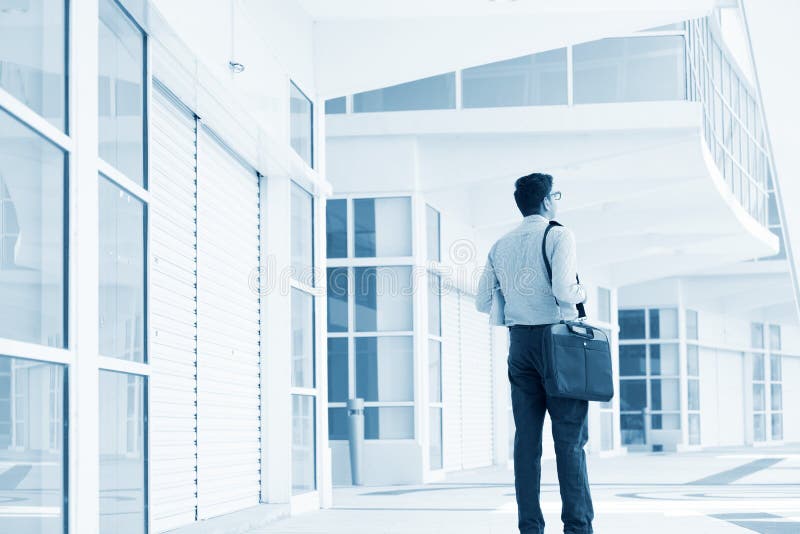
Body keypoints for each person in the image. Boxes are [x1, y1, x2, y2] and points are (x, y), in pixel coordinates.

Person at [476, 172, 593, 534]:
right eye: (555, 195)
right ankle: (577, 528)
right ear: (546, 201)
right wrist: (582, 292)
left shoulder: (501, 245)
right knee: (569, 441)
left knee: (526, 441)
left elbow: (482, 301)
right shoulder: (559, 234)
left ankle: (530, 527)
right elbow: (563, 289)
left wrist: (515, 305)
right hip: (557, 343)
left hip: (520, 346)